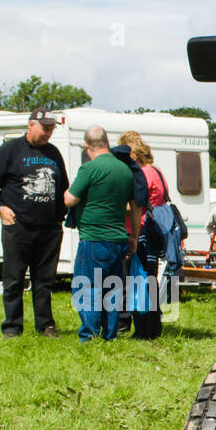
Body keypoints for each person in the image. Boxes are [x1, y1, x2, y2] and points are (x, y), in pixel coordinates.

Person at [0, 108, 69, 338]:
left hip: (49, 229)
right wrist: (0, 207)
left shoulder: (54, 153)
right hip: (18, 226)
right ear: (31, 124)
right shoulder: (11, 150)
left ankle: (45, 325)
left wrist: (60, 217)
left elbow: (63, 187)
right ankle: (12, 327)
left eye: (51, 128)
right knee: (13, 279)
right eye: (45, 127)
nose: (49, 132)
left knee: (45, 281)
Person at [64, 126, 139, 342]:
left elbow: (71, 199)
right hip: (119, 238)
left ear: (87, 147)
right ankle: (110, 335)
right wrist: (133, 236)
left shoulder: (89, 169)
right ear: (107, 142)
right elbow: (135, 207)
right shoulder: (125, 169)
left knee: (87, 287)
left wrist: (64, 193)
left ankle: (89, 335)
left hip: (94, 238)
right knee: (112, 289)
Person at [117, 130, 169, 339]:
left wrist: (114, 207)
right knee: (149, 280)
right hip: (153, 233)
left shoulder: (143, 174)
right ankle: (152, 326)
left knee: (136, 280)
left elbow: (137, 205)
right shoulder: (156, 171)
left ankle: (140, 328)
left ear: (134, 156)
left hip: (140, 231)